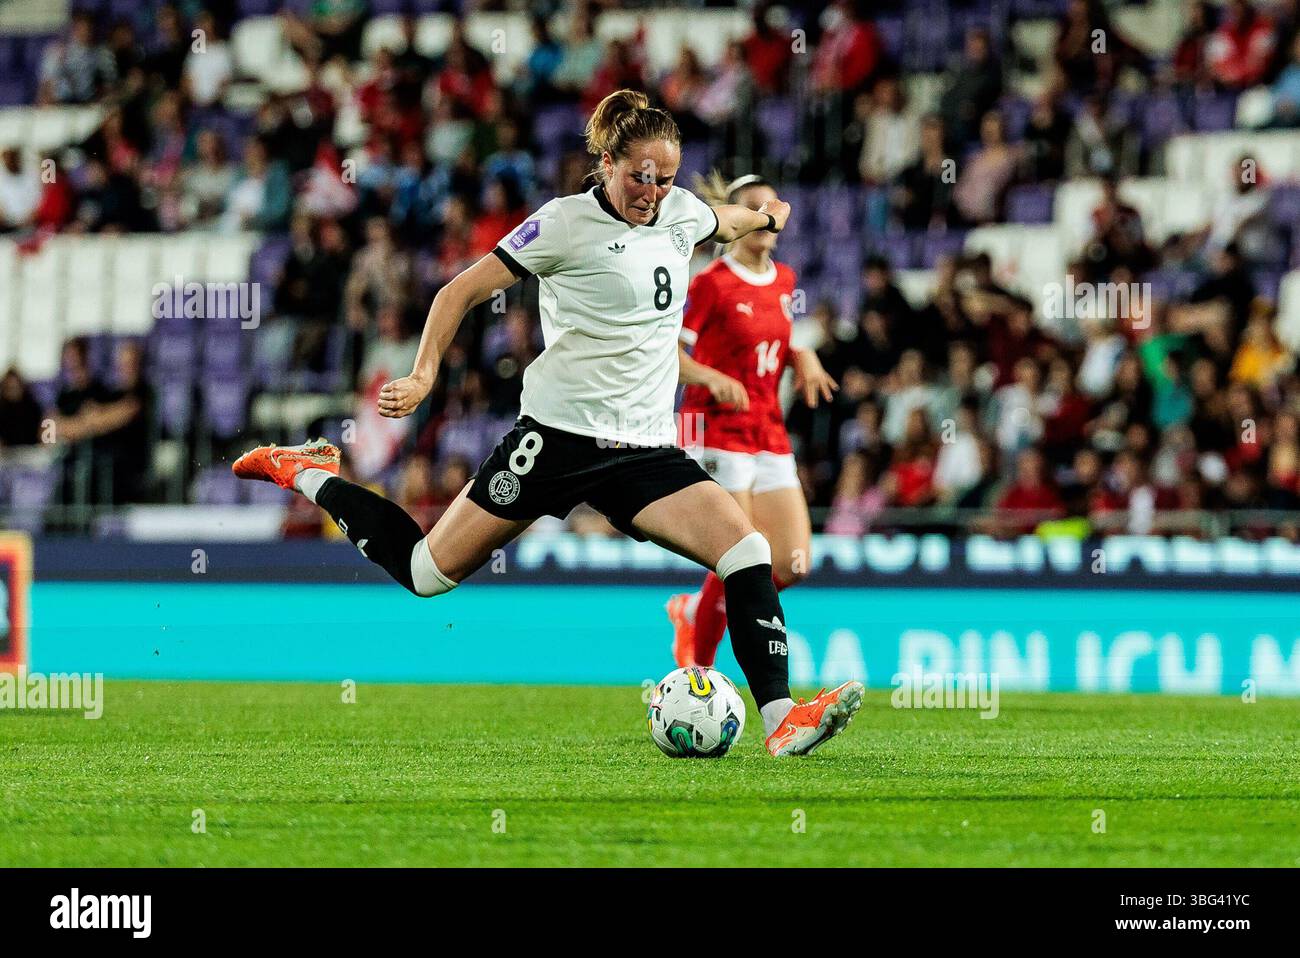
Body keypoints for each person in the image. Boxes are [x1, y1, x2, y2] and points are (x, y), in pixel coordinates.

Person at [233, 90, 863, 757]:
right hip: (557, 439)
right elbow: (459, 292)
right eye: (638, 176)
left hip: (645, 450)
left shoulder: (681, 212)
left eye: (665, 177)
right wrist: (423, 374)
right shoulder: (561, 224)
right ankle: (310, 472)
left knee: (748, 552)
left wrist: (761, 213)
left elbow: (724, 220)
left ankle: (780, 720)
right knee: (426, 572)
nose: (651, 191)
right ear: (608, 162)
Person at [664, 171, 838, 673]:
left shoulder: (785, 280)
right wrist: (711, 378)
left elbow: (768, 347)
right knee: (741, 553)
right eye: (751, 208)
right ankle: (697, 670)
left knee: (789, 563)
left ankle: (695, 611)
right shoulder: (711, 283)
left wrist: (800, 354)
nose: (763, 216)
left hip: (767, 429)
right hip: (715, 430)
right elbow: (670, 355)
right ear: (735, 220)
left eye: (770, 206)